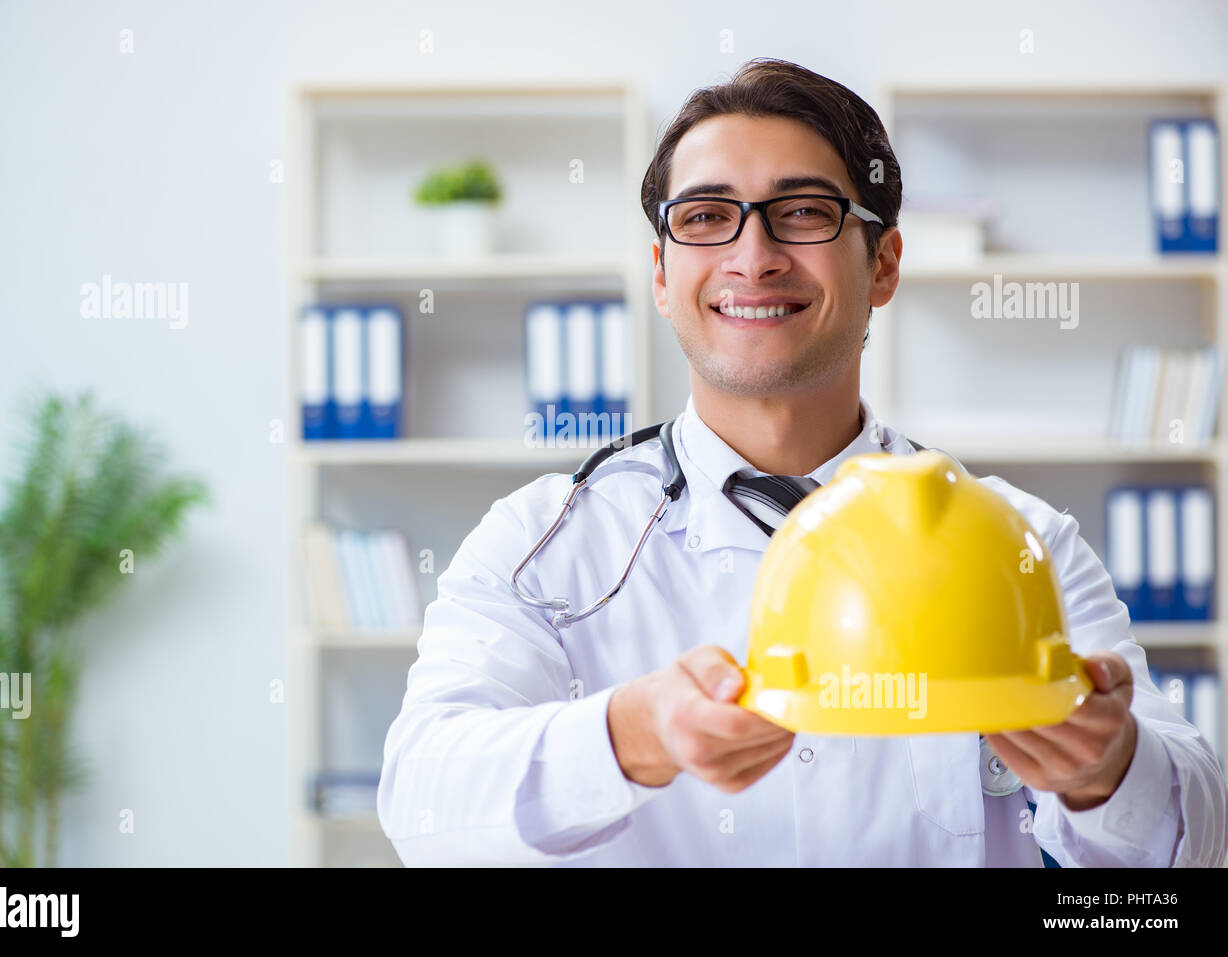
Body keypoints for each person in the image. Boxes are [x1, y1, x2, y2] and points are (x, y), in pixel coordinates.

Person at [376, 58, 1228, 866]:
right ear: (663, 275)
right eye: (706, 217)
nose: (754, 255)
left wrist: (1107, 770)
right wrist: (634, 734)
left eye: (804, 211)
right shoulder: (548, 539)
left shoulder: (1018, 541)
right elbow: (421, 803)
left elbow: (1196, 840)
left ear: (884, 263)